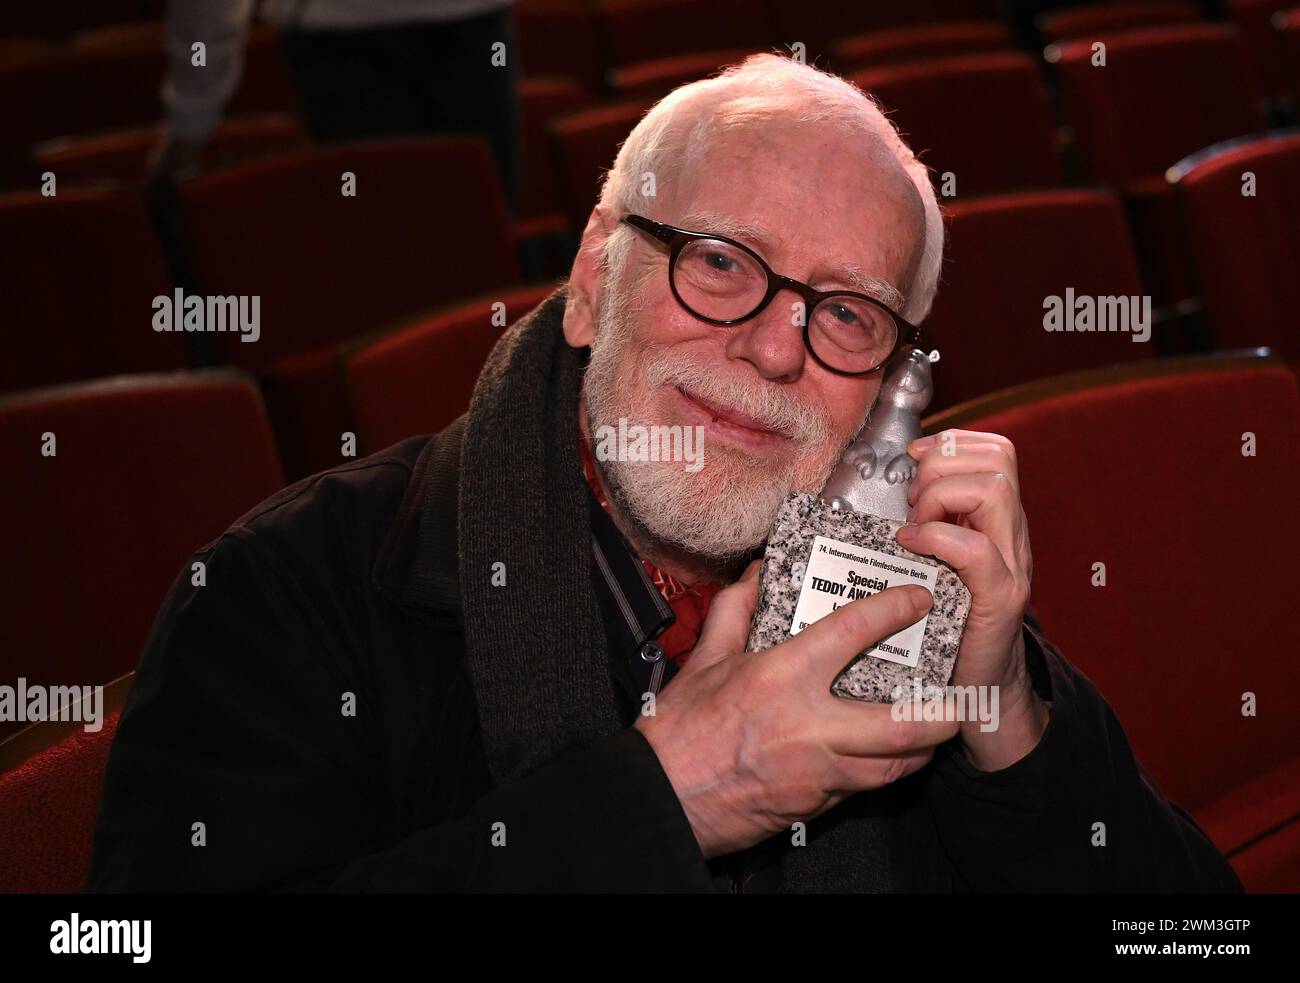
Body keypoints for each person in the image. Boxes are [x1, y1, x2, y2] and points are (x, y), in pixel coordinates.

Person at [88, 54, 1240, 892]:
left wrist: (1007, 720)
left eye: (845, 311)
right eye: (722, 263)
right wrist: (665, 797)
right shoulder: (285, 597)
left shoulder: (894, 587)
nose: (777, 346)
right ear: (592, 277)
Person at [154, 0, 520, 207]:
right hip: (345, 52)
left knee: (398, 256)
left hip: (342, 51)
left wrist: (192, 116)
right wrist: (192, 112)